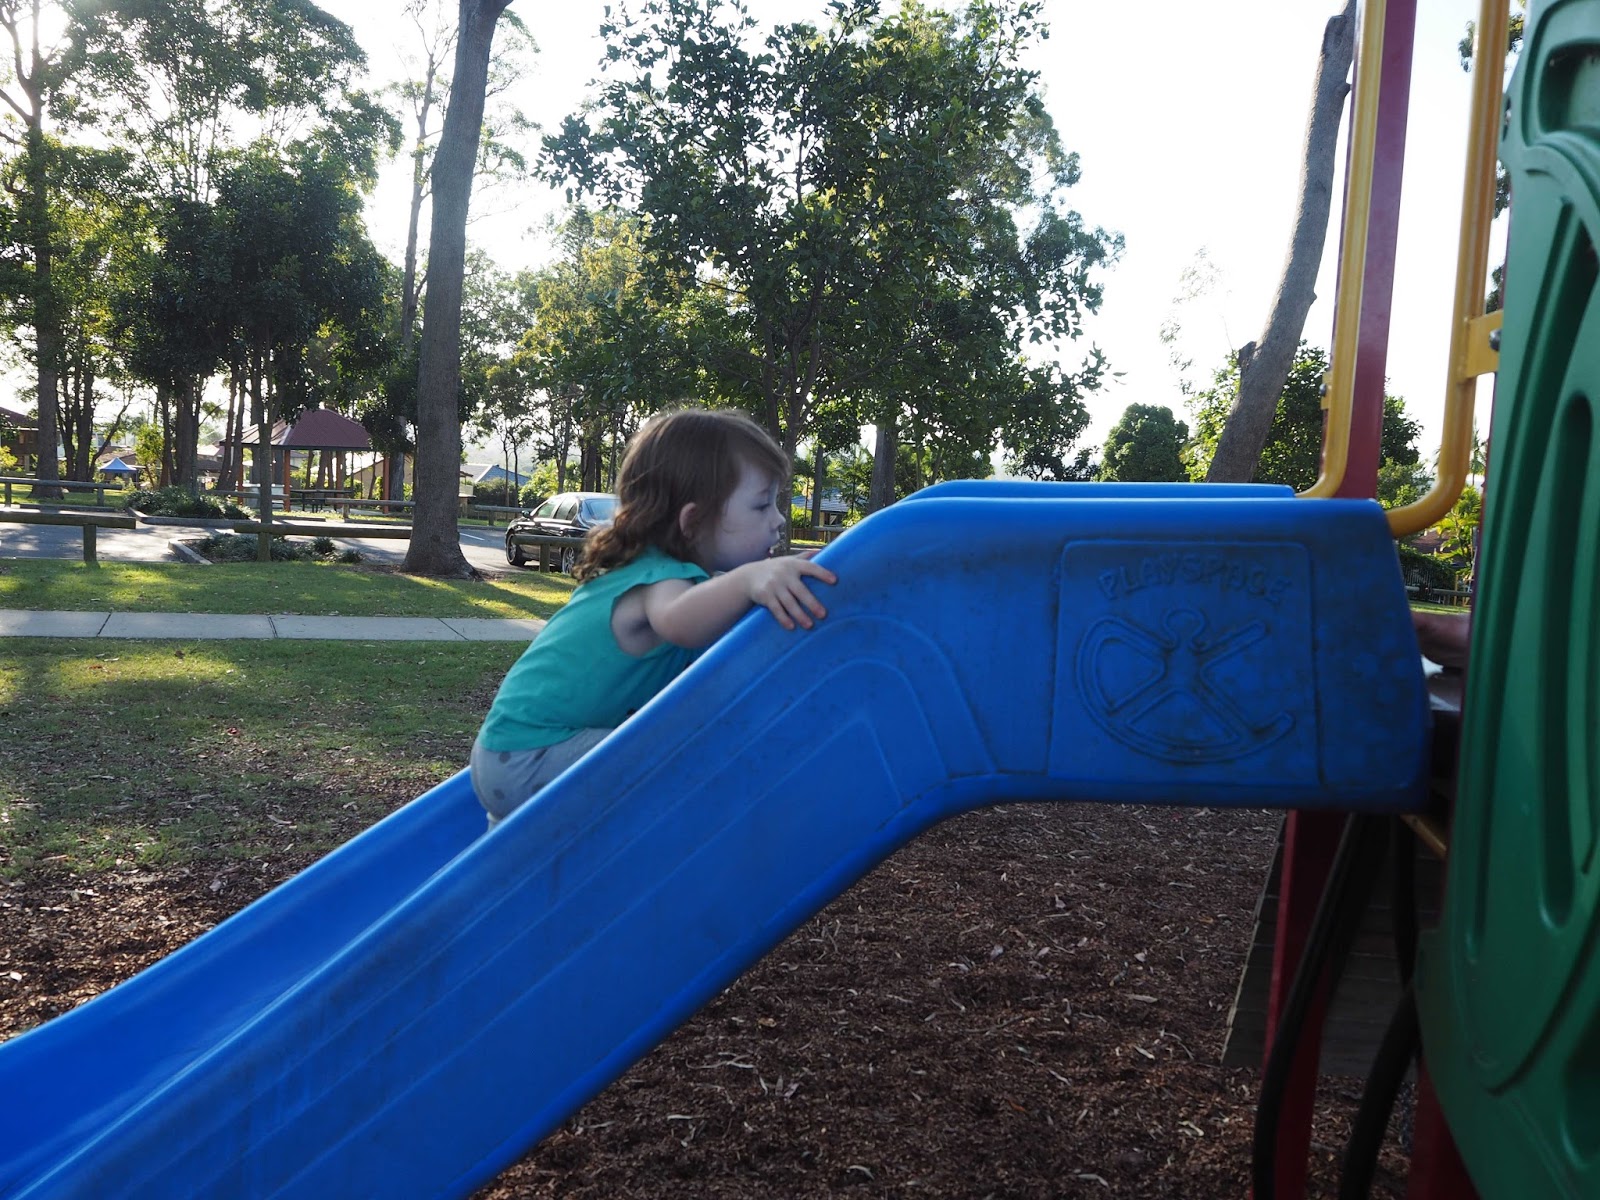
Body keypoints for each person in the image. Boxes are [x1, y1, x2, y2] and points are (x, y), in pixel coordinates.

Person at [470, 407, 838, 829]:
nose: (778, 520)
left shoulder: (655, 571)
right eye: (761, 505)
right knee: (685, 751)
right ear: (693, 520)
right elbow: (679, 620)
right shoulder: (661, 578)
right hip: (533, 758)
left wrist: (777, 577)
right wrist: (750, 580)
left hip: (512, 755)